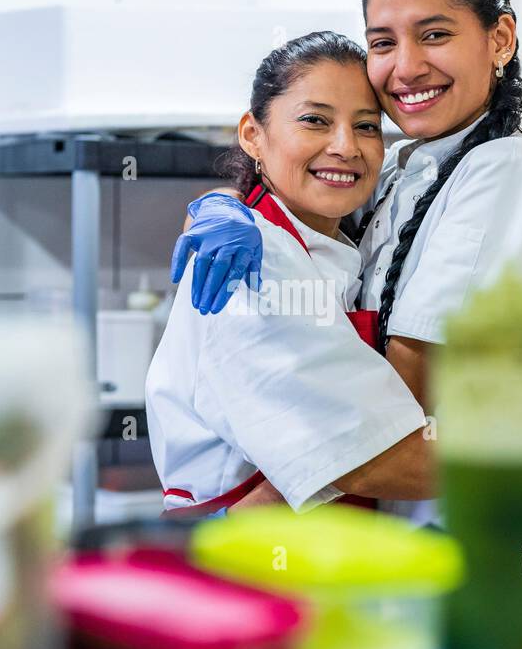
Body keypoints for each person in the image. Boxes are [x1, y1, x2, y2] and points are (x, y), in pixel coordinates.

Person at [170, 0, 522, 520]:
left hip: (451, 536)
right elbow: (359, 426)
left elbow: (395, 405)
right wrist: (225, 202)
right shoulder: (407, 174)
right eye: (383, 42)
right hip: (370, 534)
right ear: (253, 135)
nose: (406, 66)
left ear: (499, 38)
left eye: (435, 34)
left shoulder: (503, 171)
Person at [146, 31, 438, 519]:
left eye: (367, 127)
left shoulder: (335, 240)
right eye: (314, 121)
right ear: (252, 134)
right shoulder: (253, 261)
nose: (345, 147)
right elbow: (365, 459)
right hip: (247, 556)